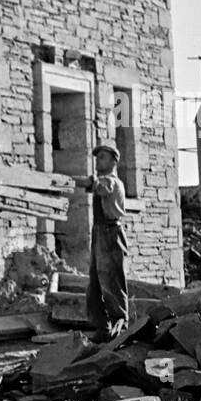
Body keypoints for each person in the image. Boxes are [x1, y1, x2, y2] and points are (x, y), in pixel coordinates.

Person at [82, 142, 129, 340]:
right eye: (97, 157)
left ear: (113, 161)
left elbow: (99, 187)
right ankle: (102, 328)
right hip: (99, 233)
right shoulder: (103, 180)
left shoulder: (111, 182)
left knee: (112, 281)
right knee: (95, 284)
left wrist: (65, 181)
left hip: (111, 233)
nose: (97, 161)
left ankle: (121, 326)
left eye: (102, 157)